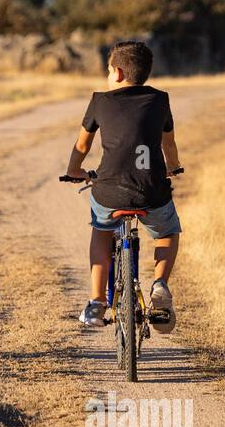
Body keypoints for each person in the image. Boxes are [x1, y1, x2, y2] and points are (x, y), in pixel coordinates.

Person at [63, 40, 182, 331]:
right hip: (151, 190)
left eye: (107, 71)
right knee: (167, 232)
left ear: (116, 72)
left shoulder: (100, 101)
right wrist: (173, 167)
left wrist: (73, 170)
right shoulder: (160, 100)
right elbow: (169, 143)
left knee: (101, 234)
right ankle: (160, 285)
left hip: (109, 190)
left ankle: (95, 302)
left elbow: (82, 144)